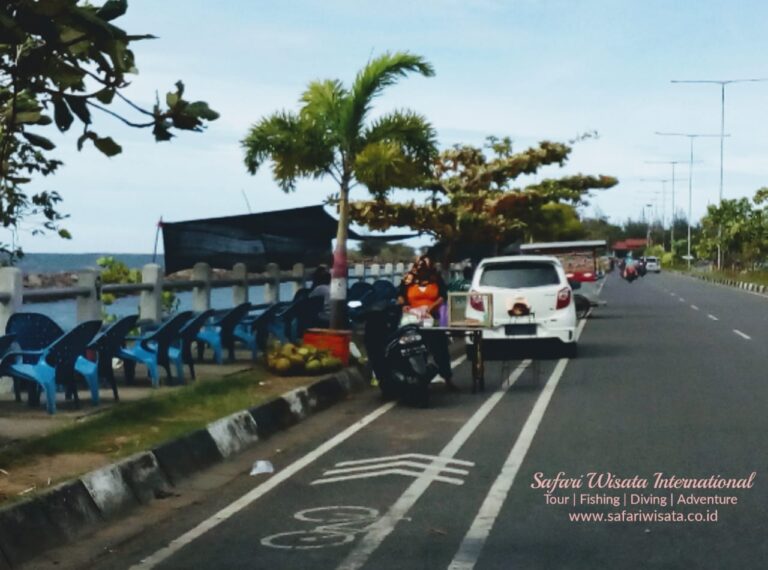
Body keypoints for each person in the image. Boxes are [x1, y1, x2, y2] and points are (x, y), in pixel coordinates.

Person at [397, 256, 457, 390]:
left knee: (440, 349)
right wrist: (405, 305)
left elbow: (443, 296)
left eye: (425, 268)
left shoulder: (436, 278)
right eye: (420, 267)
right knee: (417, 348)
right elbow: (400, 295)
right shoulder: (408, 279)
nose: (422, 270)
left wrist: (431, 307)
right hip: (413, 318)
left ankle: (447, 378)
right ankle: (421, 378)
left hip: (433, 318)